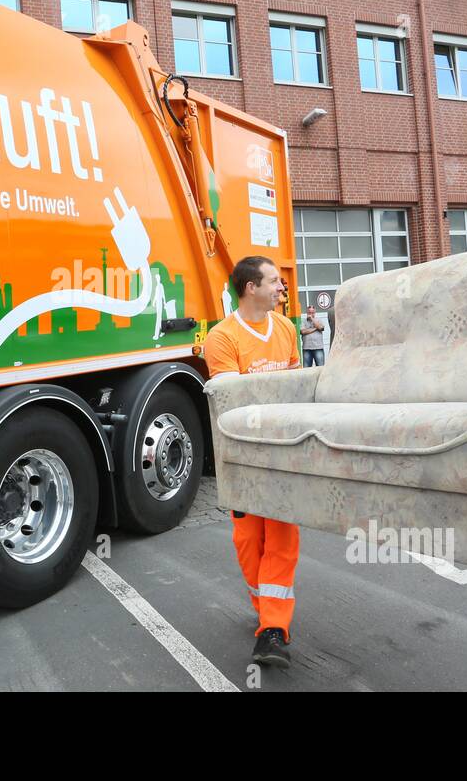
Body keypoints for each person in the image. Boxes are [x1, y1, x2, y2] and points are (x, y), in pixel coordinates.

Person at [203, 255, 301, 668]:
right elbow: (233, 403)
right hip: (243, 456)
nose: (282, 288)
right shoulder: (222, 339)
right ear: (250, 288)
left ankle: (273, 629)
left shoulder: (287, 328)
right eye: (274, 282)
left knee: (281, 537)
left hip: (283, 452)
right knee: (249, 542)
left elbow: (298, 387)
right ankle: (266, 611)